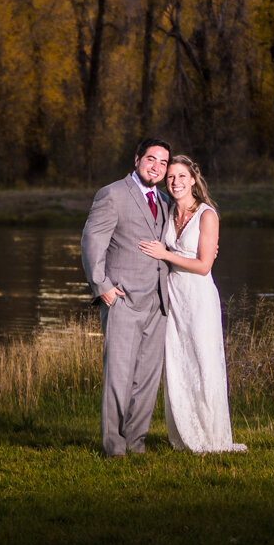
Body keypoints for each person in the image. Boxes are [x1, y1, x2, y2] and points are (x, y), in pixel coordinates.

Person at [139, 155, 246, 453]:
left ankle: (211, 436)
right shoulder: (166, 209)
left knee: (202, 362)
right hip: (174, 297)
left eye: (181, 176)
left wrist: (165, 254)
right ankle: (184, 434)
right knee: (177, 362)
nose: (175, 182)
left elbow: (202, 266)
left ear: (193, 179)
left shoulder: (207, 215)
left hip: (198, 298)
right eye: (170, 177)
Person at [81, 137, 172, 456]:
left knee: (147, 378)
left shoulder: (164, 201)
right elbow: (92, 241)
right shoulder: (113, 194)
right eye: (151, 159)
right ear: (137, 160)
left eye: (163, 162)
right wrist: (101, 285)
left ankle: (136, 442)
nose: (157, 166)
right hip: (122, 300)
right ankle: (114, 447)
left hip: (158, 303)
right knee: (119, 376)